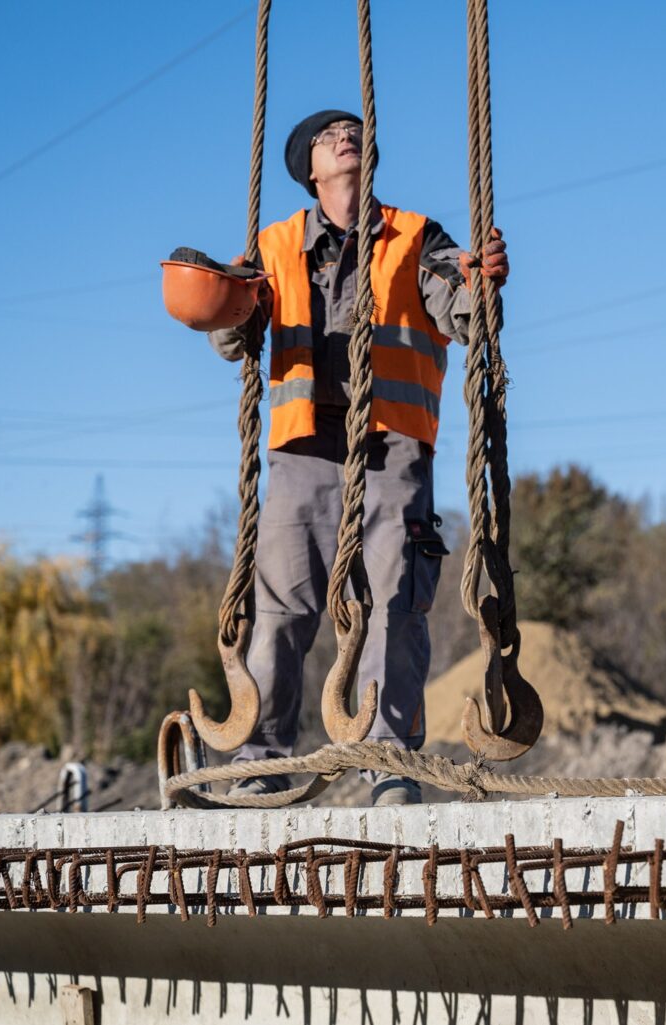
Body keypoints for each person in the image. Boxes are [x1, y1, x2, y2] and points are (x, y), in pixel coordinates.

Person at [208, 109, 508, 805]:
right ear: (310, 170)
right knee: (280, 610)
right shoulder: (274, 244)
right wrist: (222, 295)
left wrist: (481, 281)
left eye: (354, 129)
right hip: (303, 450)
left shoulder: (417, 236)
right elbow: (232, 336)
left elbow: (462, 312)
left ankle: (388, 762)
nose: (345, 136)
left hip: (392, 446)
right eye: (327, 136)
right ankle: (259, 762)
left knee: (394, 607)